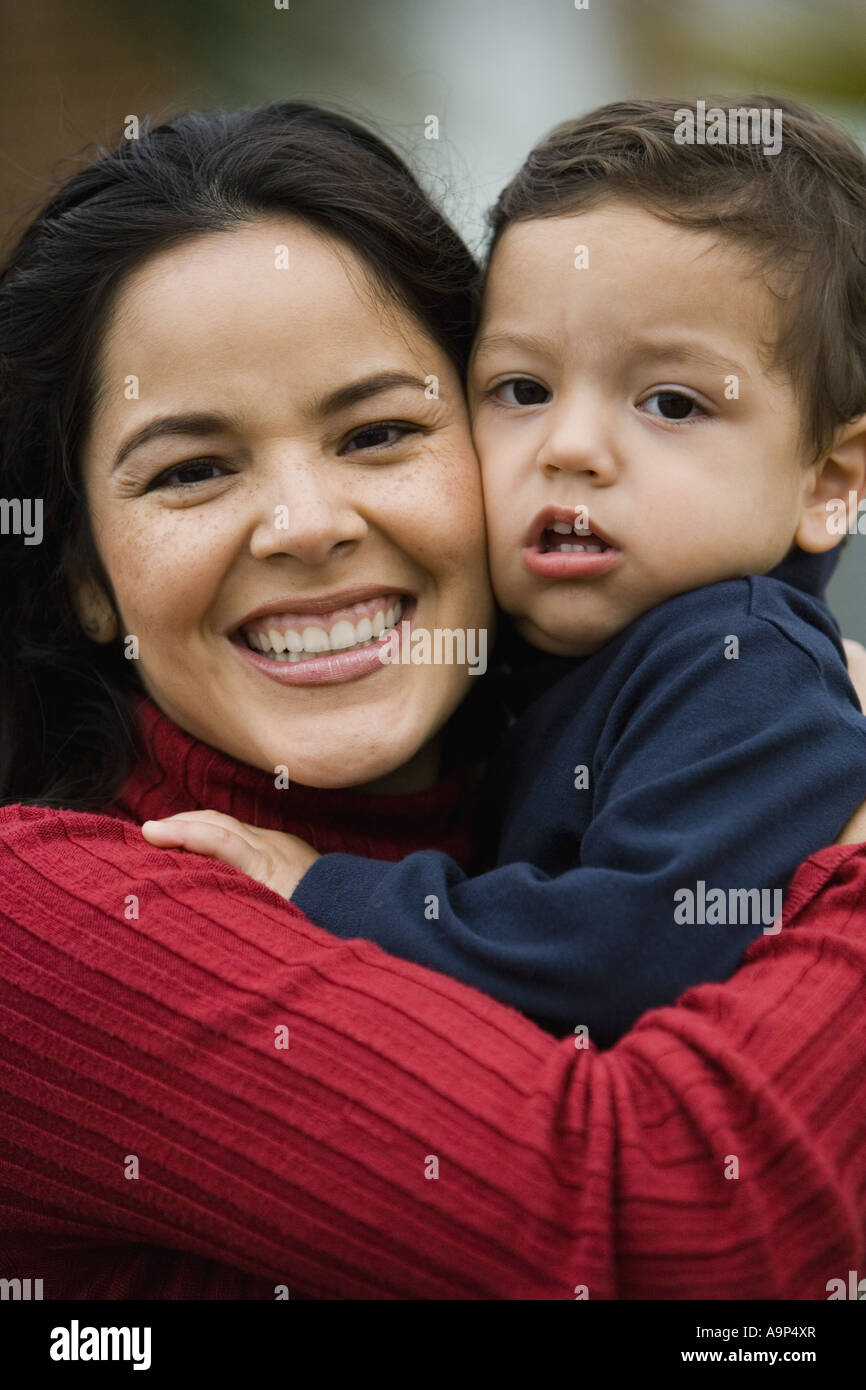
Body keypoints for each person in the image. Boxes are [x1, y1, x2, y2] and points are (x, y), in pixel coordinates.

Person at [1, 99, 865, 1301]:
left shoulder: (620, 740)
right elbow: (659, 1233)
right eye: (192, 468)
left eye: (378, 431)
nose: (308, 526)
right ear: (87, 576)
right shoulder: (47, 918)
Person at [148, 97, 866, 1050]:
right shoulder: (545, 665)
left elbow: (625, 954)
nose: (569, 448)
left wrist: (320, 888)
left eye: (671, 402)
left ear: (827, 482)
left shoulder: (744, 670)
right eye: (522, 390)